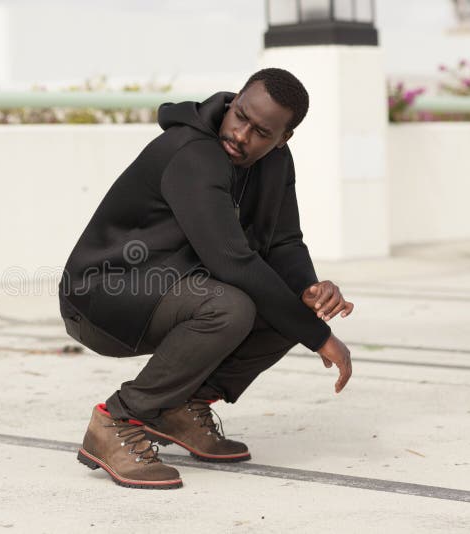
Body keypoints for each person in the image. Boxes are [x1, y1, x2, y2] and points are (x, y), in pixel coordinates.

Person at [58, 68, 354, 490]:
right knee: (231, 307)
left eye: (260, 131)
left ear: (282, 139)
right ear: (232, 101)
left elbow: (285, 242)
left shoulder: (275, 162)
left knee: (287, 301)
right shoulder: (192, 152)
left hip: (171, 287)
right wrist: (318, 334)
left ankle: (181, 408)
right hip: (102, 294)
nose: (241, 134)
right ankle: (117, 420)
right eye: (241, 116)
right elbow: (233, 261)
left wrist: (309, 290)